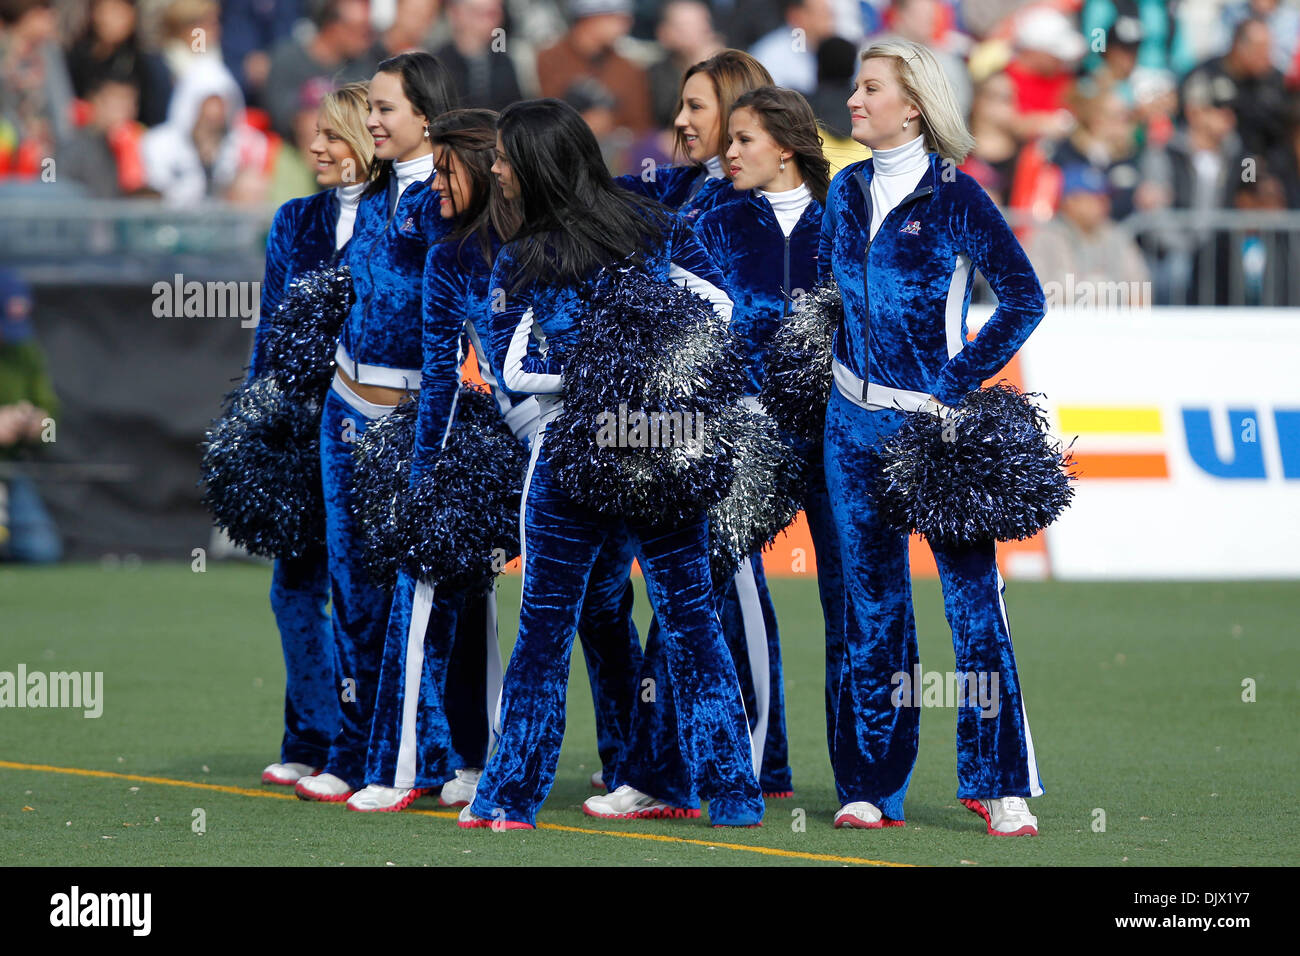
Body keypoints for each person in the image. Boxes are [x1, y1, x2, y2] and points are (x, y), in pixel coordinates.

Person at [459, 98, 763, 830]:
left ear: (533, 164)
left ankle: (508, 800)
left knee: (550, 630)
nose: (494, 169)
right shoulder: (641, 229)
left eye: (502, 156)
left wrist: (599, 371)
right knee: (691, 624)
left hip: (578, 455)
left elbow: (514, 368)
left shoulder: (542, 252)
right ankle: (733, 797)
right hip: (653, 446)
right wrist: (638, 365)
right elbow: (721, 312)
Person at [587, 86, 839, 820]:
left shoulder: (841, 220)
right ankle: (665, 774)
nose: (725, 152)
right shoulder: (712, 217)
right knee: (689, 597)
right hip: (734, 436)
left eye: (743, 140)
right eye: (724, 139)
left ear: (787, 147)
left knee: (855, 606)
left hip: (828, 437)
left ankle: (827, 779)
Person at [818, 39, 1045, 834]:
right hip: (849, 427)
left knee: (972, 605)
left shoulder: (959, 197)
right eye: (855, 87)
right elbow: (826, 303)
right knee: (871, 609)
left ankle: (999, 781)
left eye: (870, 88)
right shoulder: (844, 190)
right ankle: (873, 786)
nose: (854, 100)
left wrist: (952, 386)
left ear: (912, 104)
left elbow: (1024, 299)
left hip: (935, 433)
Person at [346, 108, 532, 813]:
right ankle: (439, 765)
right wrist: (427, 480)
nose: (435, 184)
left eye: (448, 169)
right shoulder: (448, 254)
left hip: (556, 448)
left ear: (486, 172)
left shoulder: (539, 244)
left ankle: (435, 766)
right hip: (493, 447)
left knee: (591, 607)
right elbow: (440, 373)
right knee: (440, 589)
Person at [295, 51, 459, 803]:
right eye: (371, 109)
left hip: (410, 418)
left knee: (417, 604)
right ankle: (355, 748)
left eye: (386, 109)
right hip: (344, 411)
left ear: (425, 116)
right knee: (354, 595)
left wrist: (430, 435)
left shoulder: (445, 204)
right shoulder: (377, 191)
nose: (371, 121)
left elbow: (445, 333)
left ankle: (425, 759)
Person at [253, 83, 374, 789]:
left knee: (363, 589)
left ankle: (376, 744)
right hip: (299, 429)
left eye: (332, 135)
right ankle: (313, 735)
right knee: (294, 586)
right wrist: (257, 416)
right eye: (314, 133)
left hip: (370, 429)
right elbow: (269, 332)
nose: (317, 147)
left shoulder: (397, 220)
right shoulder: (294, 220)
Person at [0, 269, 60, 565]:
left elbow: (52, 418)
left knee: (41, 552)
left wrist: (39, 425)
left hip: (9, 468)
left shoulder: (24, 349)